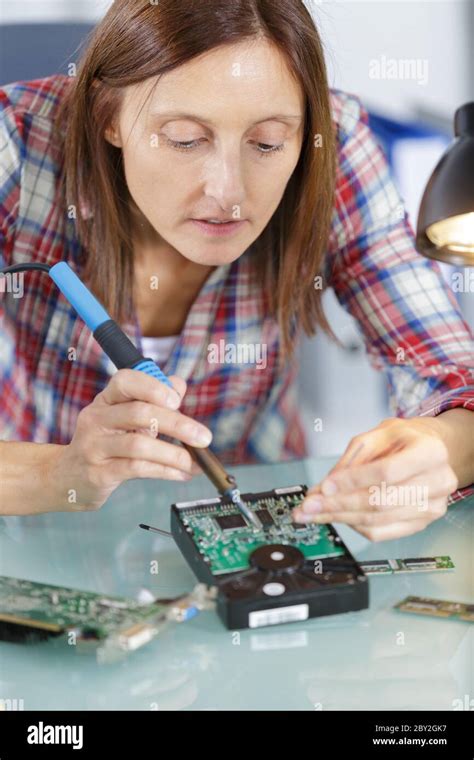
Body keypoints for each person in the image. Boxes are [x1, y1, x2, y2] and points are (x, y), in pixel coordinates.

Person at [0, 0, 473, 540]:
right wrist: (61, 474)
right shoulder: (17, 140)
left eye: (267, 143)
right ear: (108, 117)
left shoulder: (334, 144)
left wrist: (444, 449)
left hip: (260, 507)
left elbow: (447, 365)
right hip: (42, 523)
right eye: (184, 138)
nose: (228, 192)